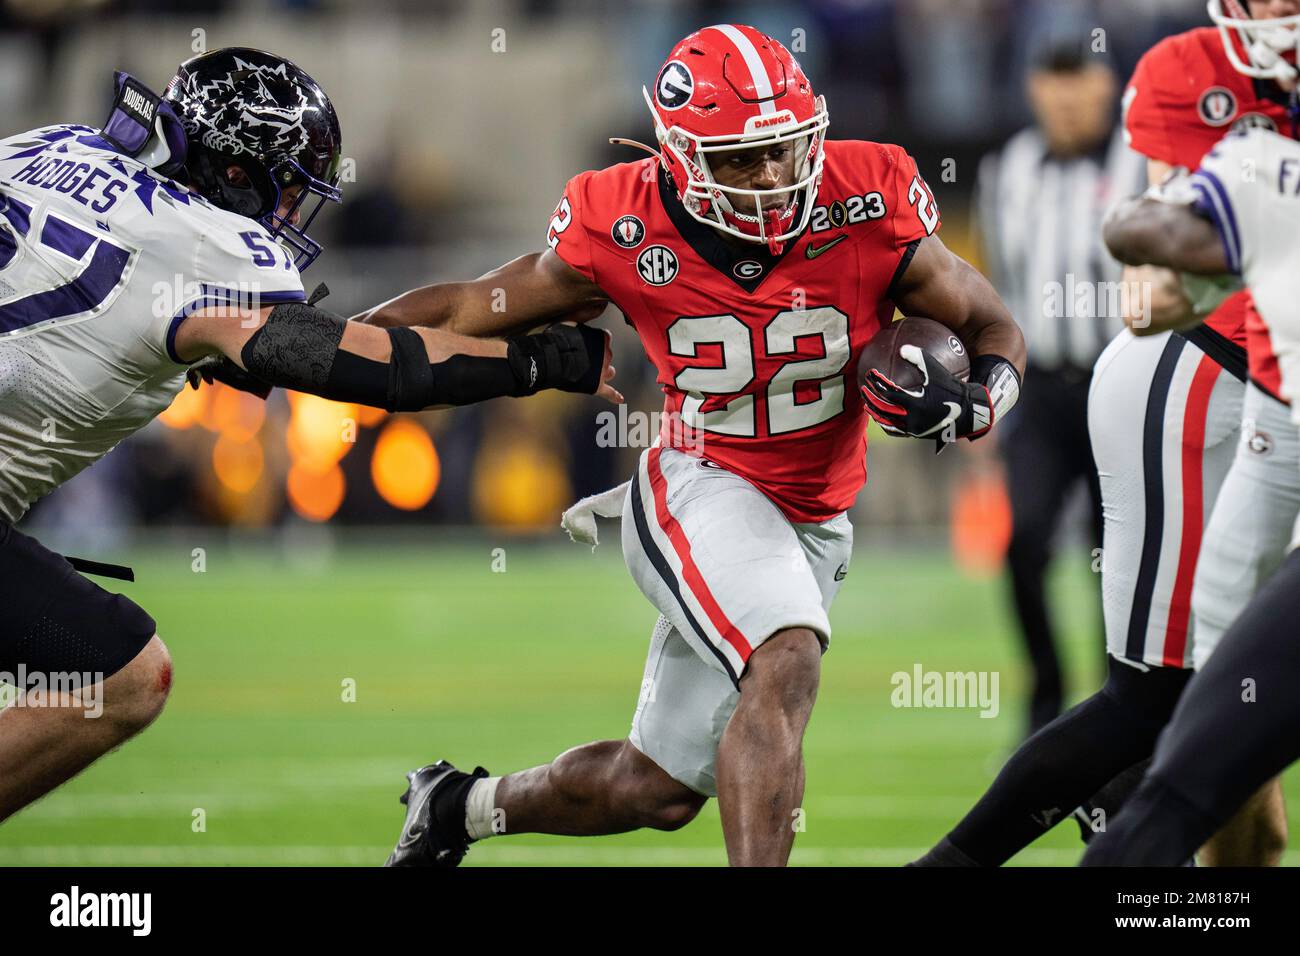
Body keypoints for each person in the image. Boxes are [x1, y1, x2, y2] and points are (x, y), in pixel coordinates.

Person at [371, 24, 1025, 868]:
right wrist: (325, 340)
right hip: (700, 477)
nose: (770, 178)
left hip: (814, 514)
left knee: (659, 790)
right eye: (741, 160)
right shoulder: (624, 219)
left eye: (784, 151)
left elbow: (992, 325)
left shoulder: (869, 194)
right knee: (787, 655)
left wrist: (978, 403)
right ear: (680, 155)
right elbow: (472, 305)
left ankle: (459, 806)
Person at [0, 47, 617, 824]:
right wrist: (537, 363)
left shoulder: (48, 147)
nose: (290, 213)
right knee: (119, 676)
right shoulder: (207, 245)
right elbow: (363, 365)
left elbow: (337, 341)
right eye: (288, 187)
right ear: (235, 173)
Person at [912, 1, 1297, 867]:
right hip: (1197, 378)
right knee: (1162, 697)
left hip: (1269, 399)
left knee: (1250, 799)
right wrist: (1158, 267)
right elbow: (1150, 234)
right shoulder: (1193, 82)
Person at [1081, 126, 1300, 864]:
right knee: (1176, 715)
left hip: (1250, 412)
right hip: (1225, 400)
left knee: (1250, 820)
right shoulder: (1233, 126)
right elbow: (1143, 283)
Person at [975, 37, 1144, 734]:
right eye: (1055, 81)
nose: (1069, 98)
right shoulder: (1008, 169)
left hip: (1125, 383)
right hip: (1042, 389)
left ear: (1108, 87)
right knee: (1024, 544)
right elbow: (997, 288)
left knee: (1121, 557)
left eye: (1082, 81)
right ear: (1035, 89)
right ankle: (1046, 697)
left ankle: (1120, 705)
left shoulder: (1145, 160)